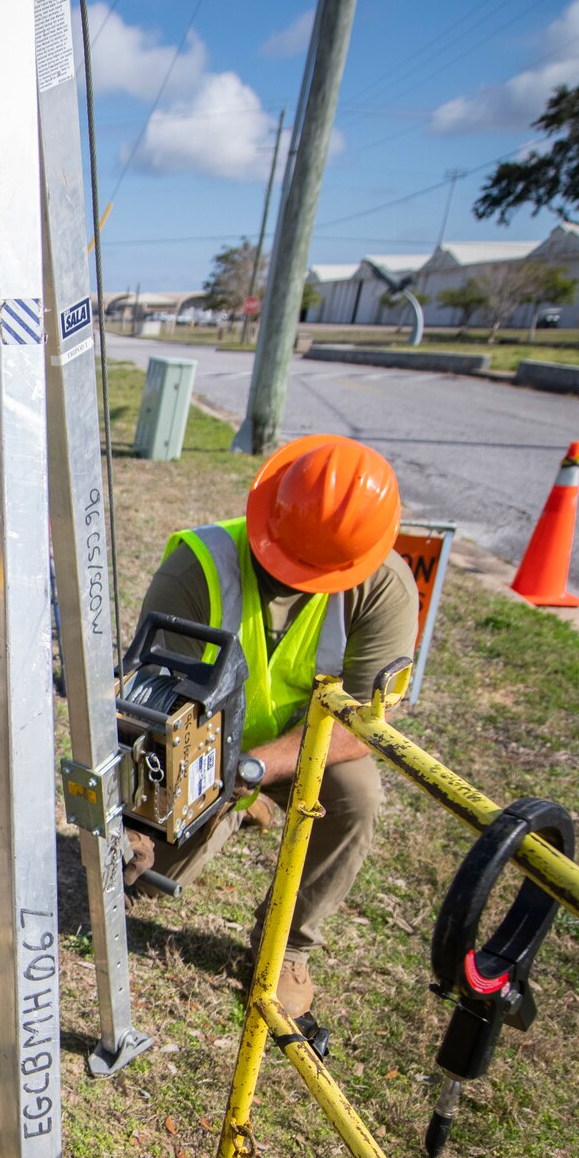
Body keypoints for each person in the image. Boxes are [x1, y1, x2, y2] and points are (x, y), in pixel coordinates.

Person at [126, 433, 416, 1034]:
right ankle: (237, 810)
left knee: (358, 797)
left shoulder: (384, 587)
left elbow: (365, 721)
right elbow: (154, 704)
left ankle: (289, 945)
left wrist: (252, 767)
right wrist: (139, 816)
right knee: (153, 881)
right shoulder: (199, 566)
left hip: (297, 750)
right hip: (204, 742)